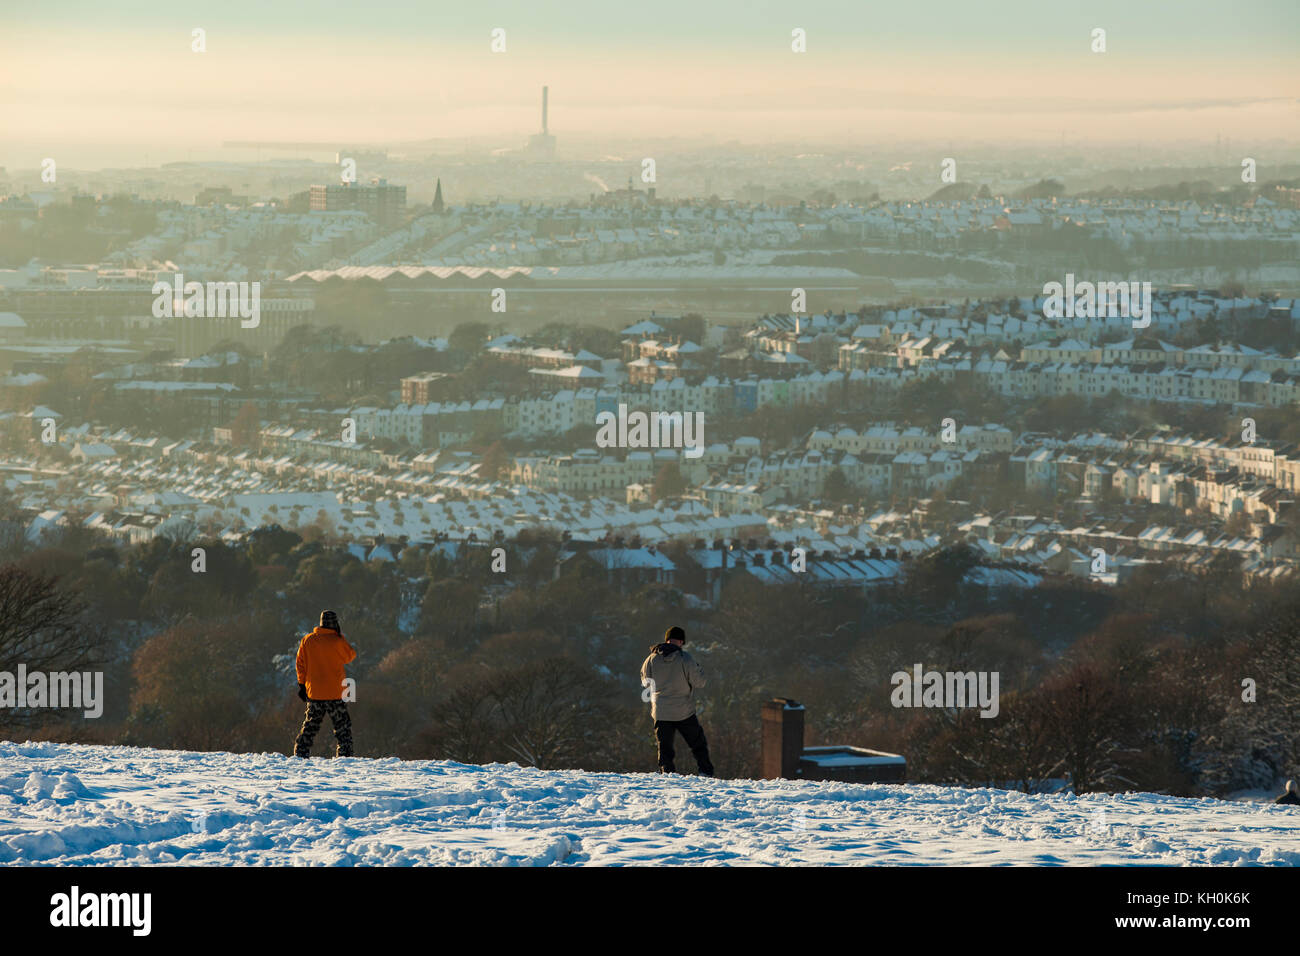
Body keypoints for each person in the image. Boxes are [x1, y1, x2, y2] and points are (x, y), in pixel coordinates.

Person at [640, 625, 714, 776]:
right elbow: (700, 682)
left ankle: (667, 774)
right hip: (684, 711)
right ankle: (705, 772)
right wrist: (699, 670)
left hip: (661, 711)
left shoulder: (651, 659)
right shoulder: (685, 658)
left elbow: (645, 682)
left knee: (664, 747)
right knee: (698, 743)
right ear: (680, 641)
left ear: (666, 640)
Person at [293, 610, 357, 758]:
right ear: (335, 624)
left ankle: (301, 752)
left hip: (314, 692)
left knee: (310, 725)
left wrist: (302, 685)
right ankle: (345, 755)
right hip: (335, 693)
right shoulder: (337, 641)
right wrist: (340, 636)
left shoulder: (307, 640)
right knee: (342, 727)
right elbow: (350, 656)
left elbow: (300, 665)